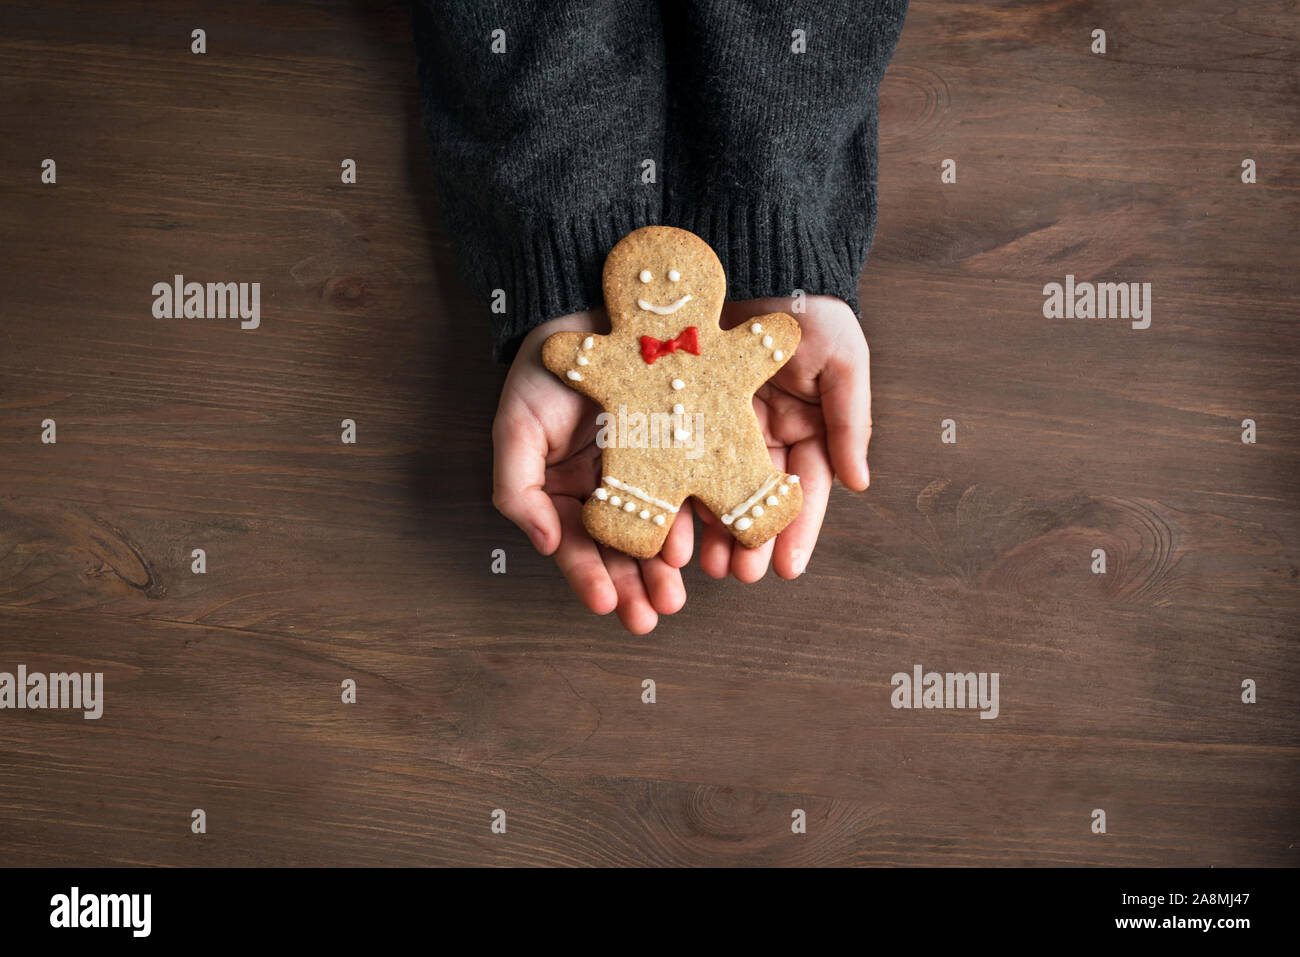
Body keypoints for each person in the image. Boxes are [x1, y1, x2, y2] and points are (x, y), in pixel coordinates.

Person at [413, 0, 908, 632]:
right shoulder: (627, 351)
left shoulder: (718, 346)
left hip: (728, 434)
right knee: (637, 482)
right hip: (637, 450)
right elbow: (585, 359)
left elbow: (761, 343)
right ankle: (637, 506)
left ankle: (749, 495)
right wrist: (569, 269)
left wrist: (780, 245)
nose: (661, 290)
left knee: (741, 476)